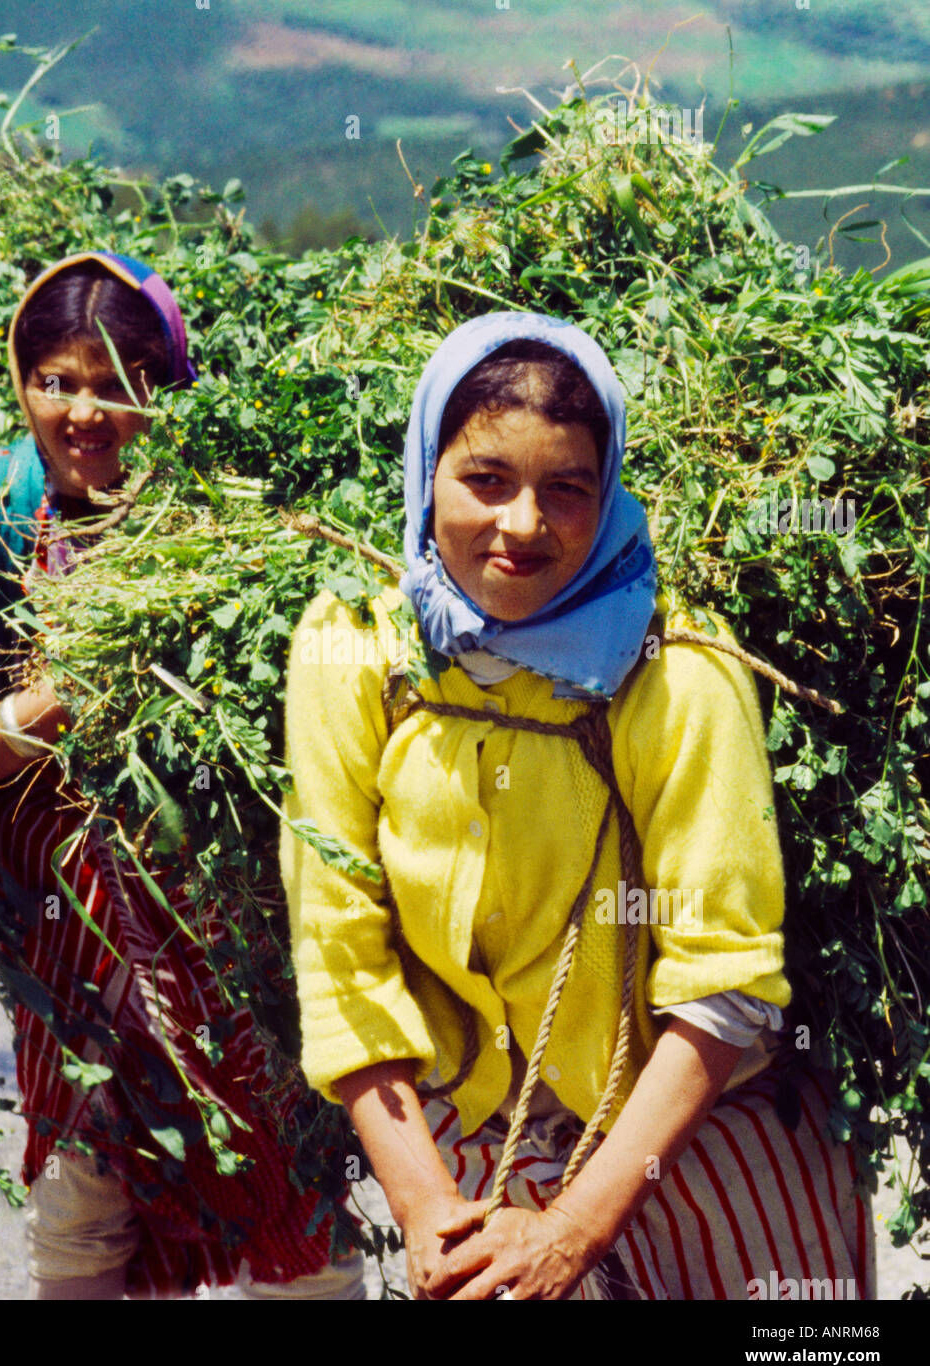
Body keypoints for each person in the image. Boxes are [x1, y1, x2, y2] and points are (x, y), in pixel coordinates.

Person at [280, 311, 874, 1301]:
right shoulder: (351, 644)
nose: (521, 525)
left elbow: (721, 980)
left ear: (606, 497)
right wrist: (429, 1212)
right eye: (483, 480)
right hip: (463, 1136)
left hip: (695, 1133)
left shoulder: (676, 666)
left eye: (566, 489)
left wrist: (568, 1232)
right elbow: (338, 950)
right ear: (423, 470)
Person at [0, 251, 363, 1300]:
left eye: (117, 382)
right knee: (85, 1198)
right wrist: (48, 706)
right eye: (56, 379)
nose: (84, 410)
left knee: (293, 1196)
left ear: (167, 387)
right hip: (75, 951)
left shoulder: (226, 513)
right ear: (21, 382)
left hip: (236, 949)